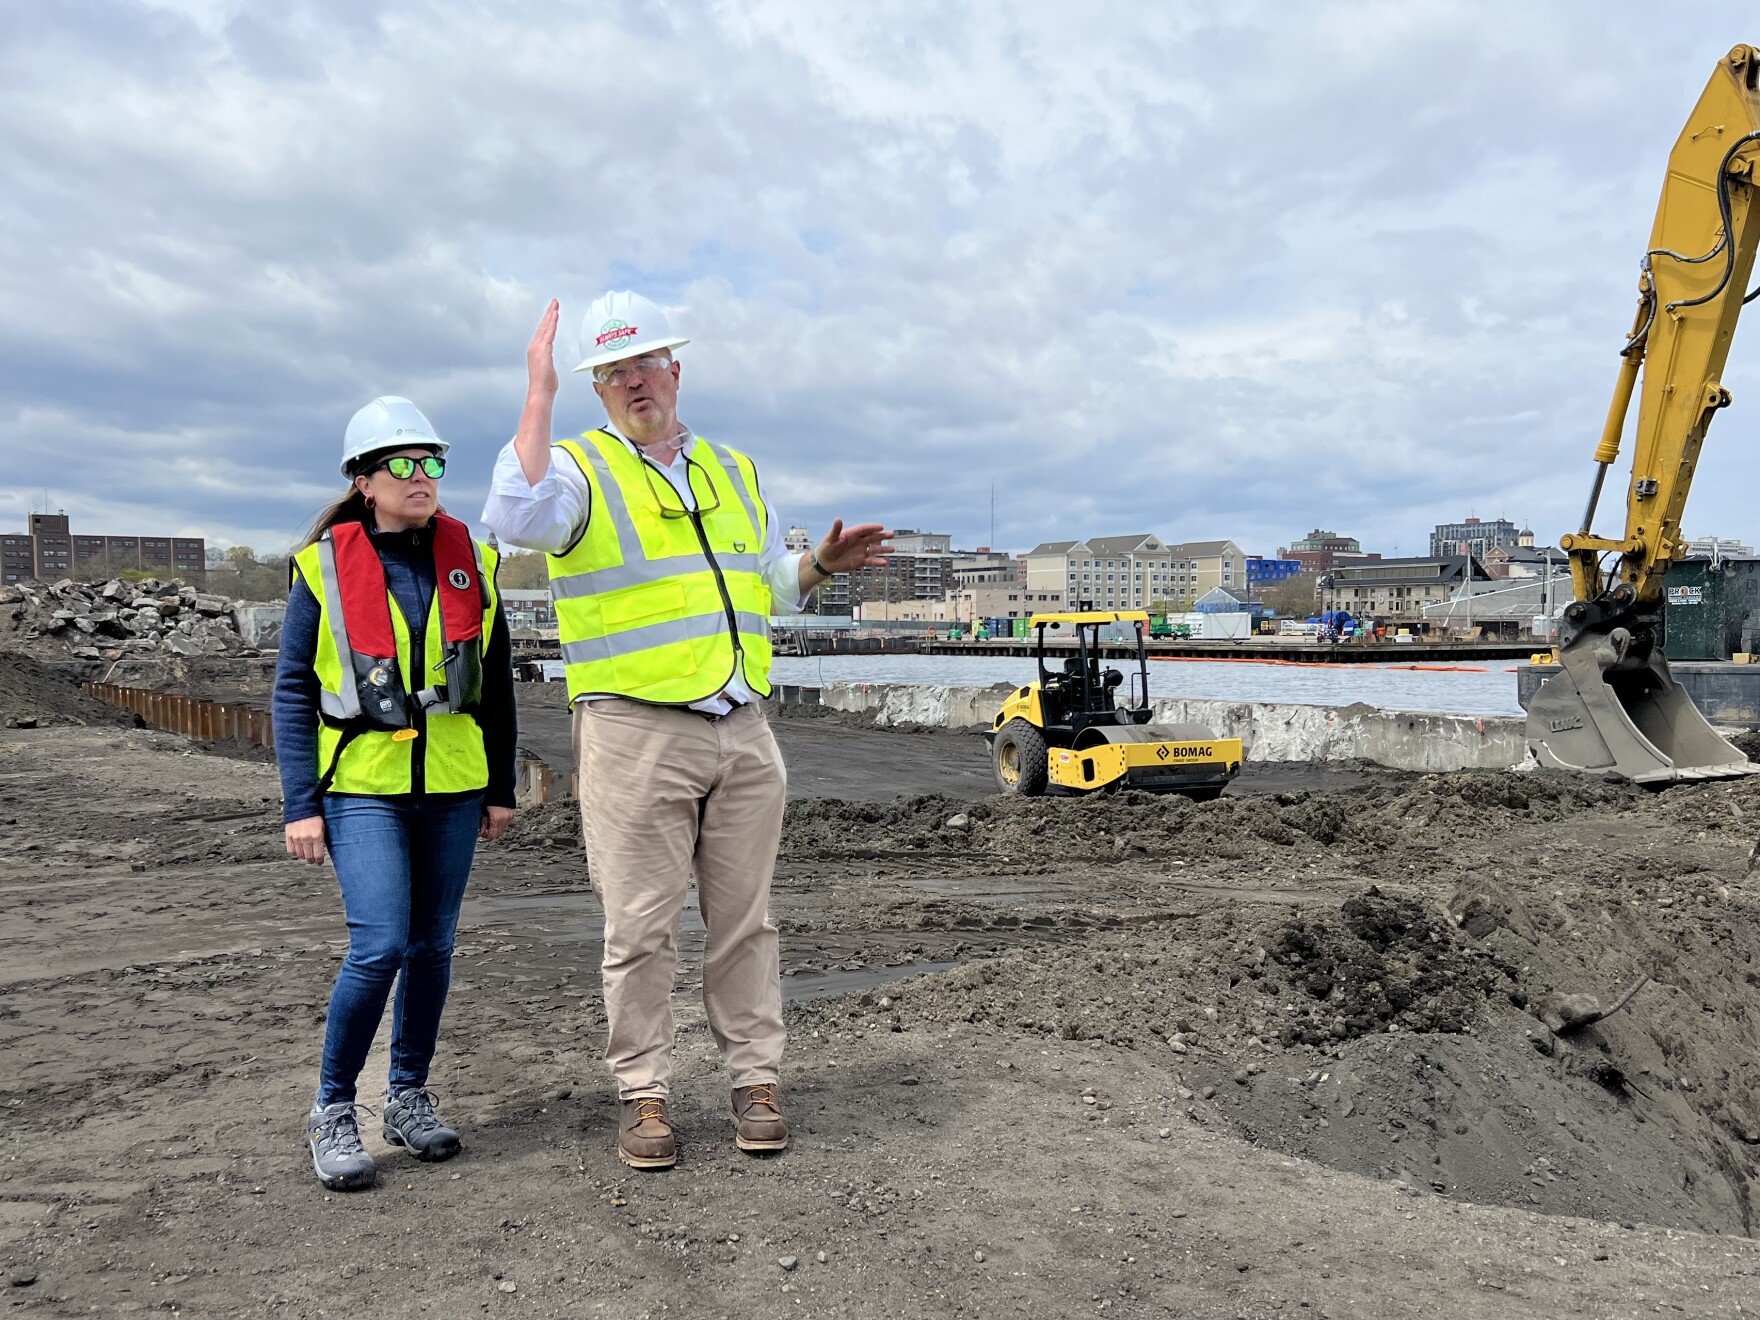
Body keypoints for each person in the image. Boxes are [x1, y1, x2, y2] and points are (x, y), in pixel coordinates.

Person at [482, 292, 890, 1170]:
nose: (633, 381)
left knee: (747, 921)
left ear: (677, 368)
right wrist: (537, 392)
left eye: (645, 363)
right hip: (633, 729)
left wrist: (818, 565)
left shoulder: (735, 471)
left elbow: (768, 587)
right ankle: (645, 1094)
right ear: (595, 386)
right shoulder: (577, 471)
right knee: (640, 927)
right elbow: (514, 513)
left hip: (742, 725)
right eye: (612, 371)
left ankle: (755, 1079)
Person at [274, 396, 518, 1191]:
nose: (423, 478)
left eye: (434, 463)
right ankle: (333, 1108)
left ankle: (407, 1097)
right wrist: (300, 804)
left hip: (453, 784)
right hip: (362, 785)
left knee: (432, 947)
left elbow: (498, 691)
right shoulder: (322, 568)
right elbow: (290, 693)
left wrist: (500, 786)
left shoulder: (468, 561)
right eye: (404, 465)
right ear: (364, 480)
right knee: (379, 945)